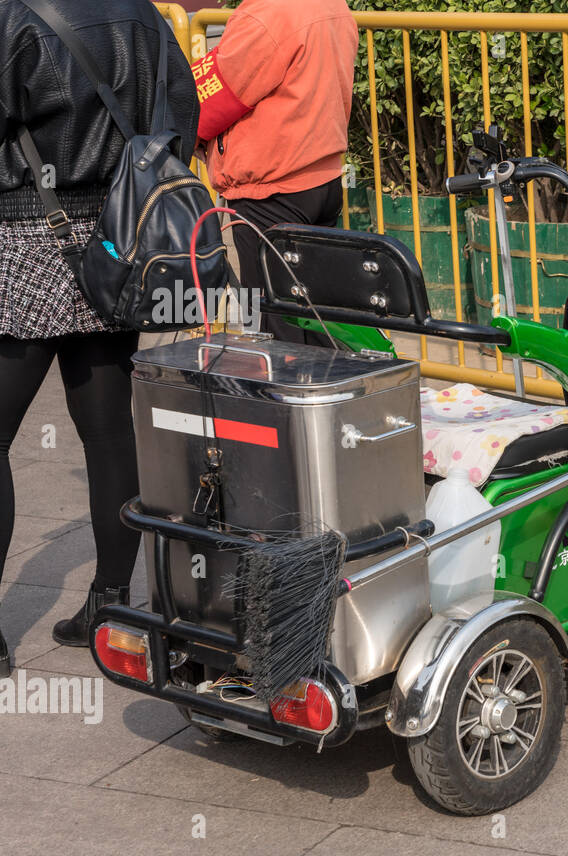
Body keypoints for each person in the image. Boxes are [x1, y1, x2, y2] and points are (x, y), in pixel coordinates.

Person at [0, 0, 201, 674]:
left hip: (27, 237)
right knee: (110, 433)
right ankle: (112, 609)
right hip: (118, 242)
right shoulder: (143, 14)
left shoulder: (13, 14)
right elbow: (182, 119)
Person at [192, 0, 358, 345]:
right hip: (320, 177)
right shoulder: (333, 5)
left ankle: (287, 395)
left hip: (270, 187)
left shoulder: (267, 14)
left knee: (275, 327)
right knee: (314, 315)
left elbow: (214, 96)